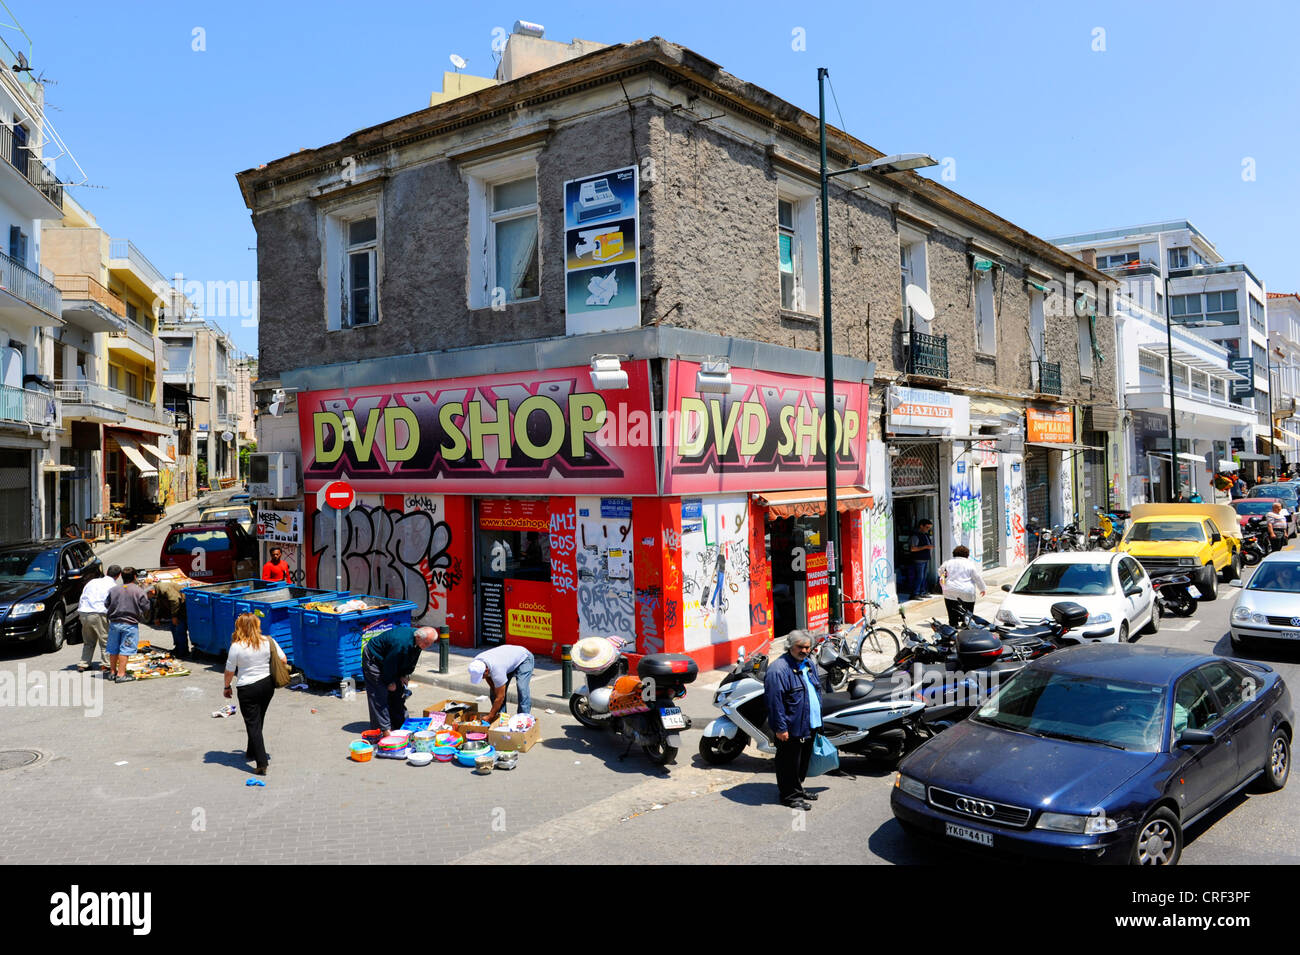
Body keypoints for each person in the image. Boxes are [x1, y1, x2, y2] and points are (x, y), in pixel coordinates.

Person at [763, 631, 823, 811]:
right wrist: (781, 728)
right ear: (790, 646)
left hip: (809, 724)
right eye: (800, 647)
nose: (804, 650)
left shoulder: (808, 663)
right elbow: (774, 702)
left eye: (807, 647)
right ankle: (790, 796)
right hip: (791, 726)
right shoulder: (778, 670)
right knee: (788, 763)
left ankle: (798, 789)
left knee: (802, 762)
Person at [223, 613, 288, 775]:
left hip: (247, 688)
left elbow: (229, 671)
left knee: (252, 723)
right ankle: (251, 751)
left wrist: (227, 687)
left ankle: (261, 763)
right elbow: (284, 659)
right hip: (267, 685)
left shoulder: (237, 646)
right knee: (258, 719)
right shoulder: (268, 641)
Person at [361, 625, 438, 733]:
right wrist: (390, 682)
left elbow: (412, 658)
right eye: (426, 643)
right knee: (379, 694)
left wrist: (405, 675)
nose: (427, 646)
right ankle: (383, 729)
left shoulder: (419, 640)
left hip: (390, 659)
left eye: (430, 644)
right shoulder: (401, 643)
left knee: (398, 692)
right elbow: (390, 664)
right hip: (375, 659)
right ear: (418, 637)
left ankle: (400, 724)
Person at [105, 567, 151, 683]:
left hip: (114, 623)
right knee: (125, 649)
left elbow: (106, 604)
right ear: (135, 577)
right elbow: (146, 607)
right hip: (129, 624)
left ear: (121, 576)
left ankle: (112, 672)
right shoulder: (138, 591)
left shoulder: (113, 590)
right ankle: (121, 674)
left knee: (114, 648)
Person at [468, 644, 535, 722]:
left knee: (522, 688)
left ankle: (523, 718)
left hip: (524, 658)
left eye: (481, 676)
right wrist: (494, 690)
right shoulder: (476, 663)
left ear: (486, 670)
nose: (482, 678)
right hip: (507, 661)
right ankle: (502, 719)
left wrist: (490, 716)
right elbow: (488, 677)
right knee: (494, 693)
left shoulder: (497, 670)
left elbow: (500, 697)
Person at [77, 564, 118, 672]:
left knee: (88, 640)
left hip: (84, 612)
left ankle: (84, 663)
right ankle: (106, 664)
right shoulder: (113, 586)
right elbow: (112, 603)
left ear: (106, 572)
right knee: (105, 640)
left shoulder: (93, 582)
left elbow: (83, 595)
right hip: (98, 612)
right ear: (118, 576)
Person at [938, 545, 987, 627]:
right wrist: (982, 588)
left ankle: (953, 625)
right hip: (966, 590)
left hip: (950, 589)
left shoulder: (947, 563)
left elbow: (940, 572)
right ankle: (966, 624)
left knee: (951, 610)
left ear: (954, 553)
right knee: (968, 610)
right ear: (967, 555)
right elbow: (977, 577)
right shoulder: (970, 564)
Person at [149, 578, 188, 657]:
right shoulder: (157, 591)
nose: (148, 598)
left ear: (151, 592)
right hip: (175, 609)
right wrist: (157, 617)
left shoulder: (163, 588)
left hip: (182, 607)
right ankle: (178, 648)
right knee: (173, 628)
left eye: (148, 595)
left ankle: (183, 651)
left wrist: (174, 616)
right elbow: (158, 605)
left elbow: (175, 600)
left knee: (179, 628)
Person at [905, 519, 935, 601]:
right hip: (918, 559)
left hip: (925, 559)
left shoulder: (925, 535)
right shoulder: (916, 536)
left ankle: (922, 592)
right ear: (921, 526)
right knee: (919, 577)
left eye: (929, 528)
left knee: (923, 577)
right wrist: (925, 547)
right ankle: (915, 593)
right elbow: (913, 549)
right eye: (927, 527)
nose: (928, 529)